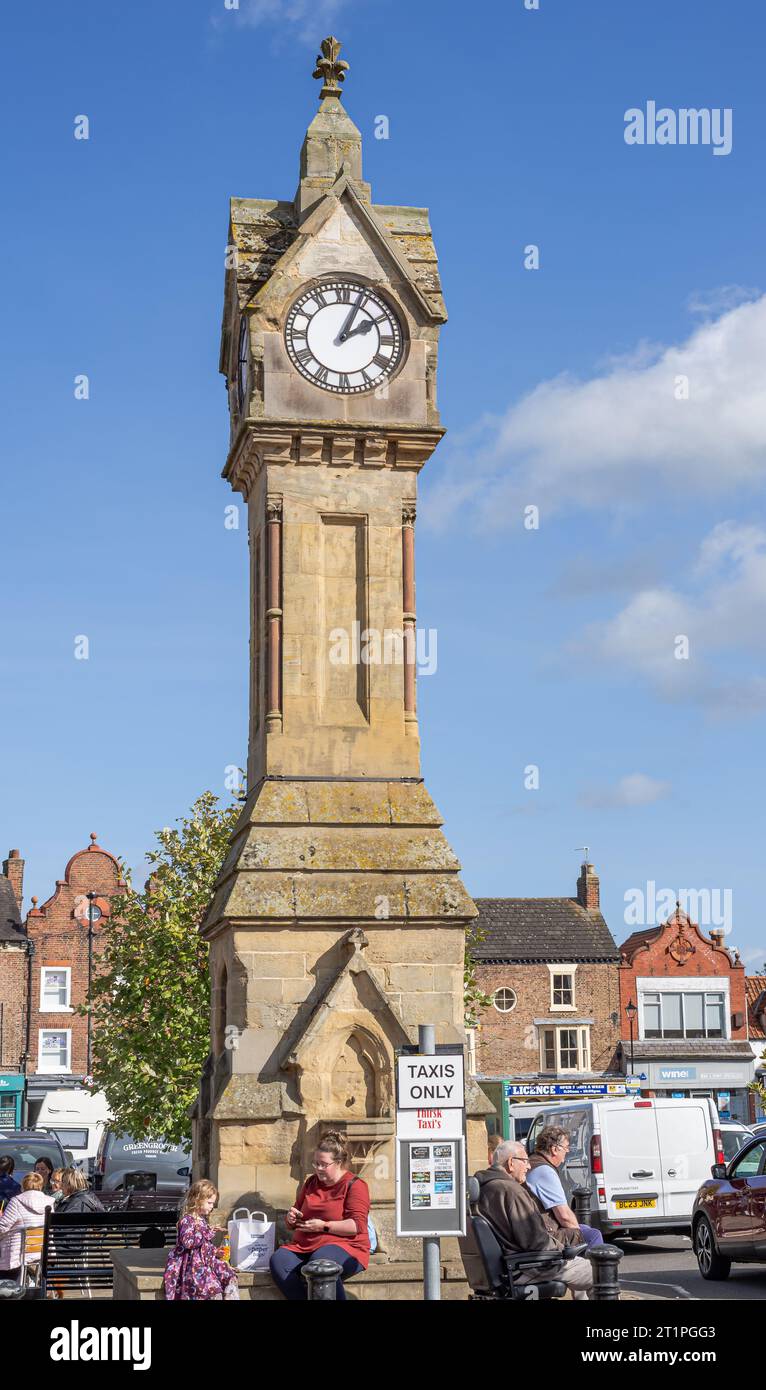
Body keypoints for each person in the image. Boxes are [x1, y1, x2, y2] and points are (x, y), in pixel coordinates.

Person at [475, 1140, 594, 1300]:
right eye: (525, 1161)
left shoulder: (484, 1188)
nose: (529, 1166)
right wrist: (563, 1249)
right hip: (528, 1268)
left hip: (506, 1267)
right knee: (601, 1270)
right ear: (511, 1163)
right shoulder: (512, 1191)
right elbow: (537, 1242)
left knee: (580, 1267)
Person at [270, 1130, 370, 1301]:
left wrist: (324, 1225)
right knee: (279, 1260)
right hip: (305, 1245)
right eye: (316, 1164)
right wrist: (291, 1218)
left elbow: (356, 1226)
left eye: (324, 1164)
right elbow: (294, 1218)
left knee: (321, 1263)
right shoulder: (311, 1182)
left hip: (346, 1246)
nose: (318, 1169)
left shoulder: (355, 1185)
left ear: (339, 1162)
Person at [526, 1125, 604, 1249]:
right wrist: (580, 1233)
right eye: (566, 1148)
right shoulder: (545, 1171)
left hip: (536, 1230)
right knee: (593, 1235)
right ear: (554, 1149)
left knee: (585, 1229)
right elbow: (564, 1217)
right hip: (545, 1235)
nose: (566, 1154)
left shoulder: (533, 1162)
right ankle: (596, 1268)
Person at [164, 1179, 239, 1301]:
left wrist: (215, 1252)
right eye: (209, 1203)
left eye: (213, 1203)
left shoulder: (202, 1220)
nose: (212, 1206)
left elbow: (203, 1245)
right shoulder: (187, 1221)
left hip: (205, 1262)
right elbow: (188, 1243)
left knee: (228, 1274)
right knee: (212, 1289)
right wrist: (208, 1232)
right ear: (197, 1200)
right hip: (192, 1265)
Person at [0, 1172, 54, 1278]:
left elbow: (2, 1227)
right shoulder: (49, 1202)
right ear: (40, 1186)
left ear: (23, 1185)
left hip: (17, 1254)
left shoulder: (16, 1202)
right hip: (41, 1250)